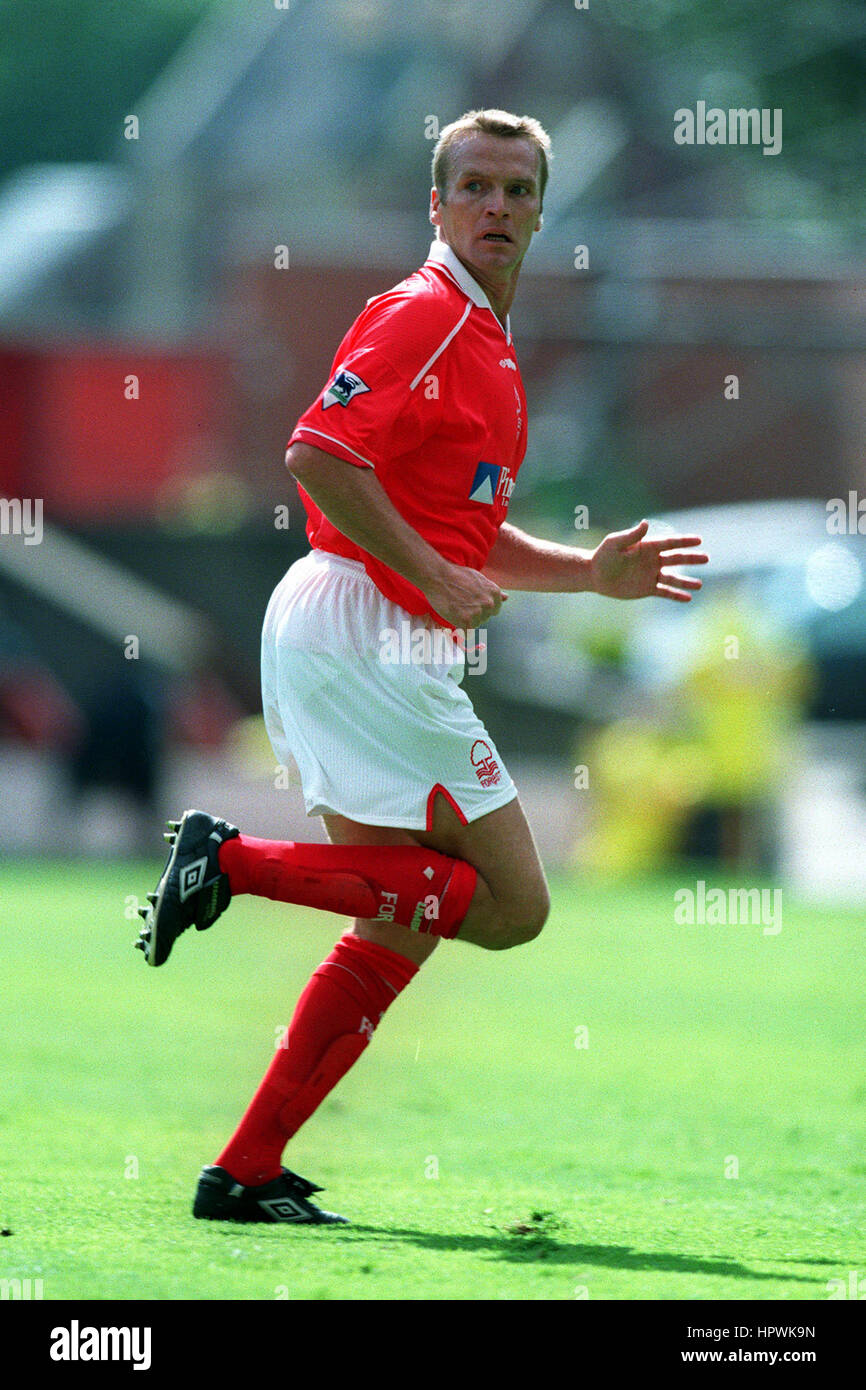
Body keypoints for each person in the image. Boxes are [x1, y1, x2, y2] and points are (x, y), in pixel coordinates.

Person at [134, 109, 708, 1226]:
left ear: (541, 211)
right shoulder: (423, 313)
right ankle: (230, 862)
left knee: (402, 917)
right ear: (435, 205)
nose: (497, 207)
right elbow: (317, 452)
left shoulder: (482, 338)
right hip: (366, 634)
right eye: (476, 187)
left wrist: (590, 573)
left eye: (518, 191)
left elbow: (464, 533)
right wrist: (431, 580)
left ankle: (244, 1169)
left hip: (355, 628)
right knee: (509, 905)